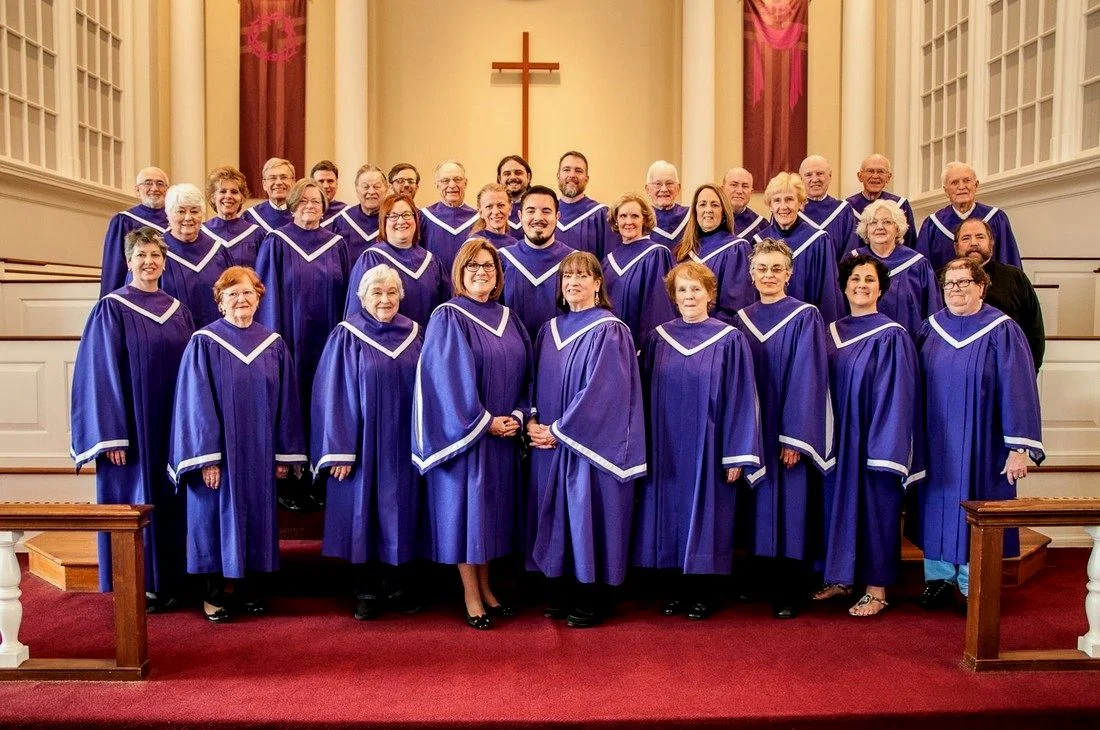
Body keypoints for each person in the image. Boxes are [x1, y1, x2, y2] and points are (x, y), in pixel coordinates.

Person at [168, 266, 307, 623]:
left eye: (247, 293)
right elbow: (195, 404)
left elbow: (286, 403)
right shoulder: (204, 342)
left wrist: (282, 453)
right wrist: (207, 459)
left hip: (259, 453)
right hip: (221, 455)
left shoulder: (272, 344)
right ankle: (213, 596)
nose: (241, 300)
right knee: (213, 518)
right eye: (232, 294)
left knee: (255, 517)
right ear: (220, 302)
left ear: (259, 297)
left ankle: (249, 591)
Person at [71, 227, 194, 610]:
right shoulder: (112, 308)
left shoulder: (179, 310)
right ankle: (140, 583)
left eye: (155, 255)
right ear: (128, 262)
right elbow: (98, 375)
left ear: (164, 262)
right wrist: (112, 435)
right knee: (136, 500)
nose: (149, 262)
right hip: (133, 432)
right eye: (141, 255)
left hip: (170, 426)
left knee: (171, 499)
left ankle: (174, 578)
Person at [633, 262, 764, 620]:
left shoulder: (730, 338)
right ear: (673, 298)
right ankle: (676, 587)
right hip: (666, 445)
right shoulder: (659, 337)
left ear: (711, 293)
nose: (689, 296)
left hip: (711, 445)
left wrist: (737, 454)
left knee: (708, 513)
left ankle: (704, 591)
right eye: (682, 290)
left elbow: (741, 397)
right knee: (670, 513)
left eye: (696, 289)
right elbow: (641, 395)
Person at [412, 238, 532, 630]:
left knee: (489, 516)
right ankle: (470, 595)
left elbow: (526, 373)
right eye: (473, 266)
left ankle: (488, 587)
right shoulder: (449, 316)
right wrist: (484, 422)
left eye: (488, 266)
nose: (482, 272)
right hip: (466, 438)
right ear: (459, 273)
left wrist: (516, 413)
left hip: (502, 437)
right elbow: (446, 381)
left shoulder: (508, 317)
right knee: (469, 515)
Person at [914, 257, 1043, 610]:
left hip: (984, 443)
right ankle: (938, 579)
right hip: (938, 440)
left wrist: (1018, 448)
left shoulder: (1002, 329)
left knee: (980, 506)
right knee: (938, 505)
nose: (955, 289)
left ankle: (976, 585)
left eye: (963, 282)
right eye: (949, 284)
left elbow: (1019, 389)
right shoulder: (930, 328)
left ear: (981, 286)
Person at [528, 251, 647, 628]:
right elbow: (533, 380)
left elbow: (605, 391)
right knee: (559, 515)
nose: (573, 283)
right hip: (550, 442)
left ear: (598, 284)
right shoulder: (549, 330)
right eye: (567, 277)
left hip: (590, 446)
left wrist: (560, 429)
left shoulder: (610, 329)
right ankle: (562, 588)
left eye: (582, 276)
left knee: (589, 515)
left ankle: (595, 596)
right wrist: (533, 422)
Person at [313, 264, 425, 620]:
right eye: (376, 293)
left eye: (392, 292)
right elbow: (333, 396)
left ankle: (398, 583)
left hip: (404, 443)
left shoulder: (416, 334)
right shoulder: (346, 335)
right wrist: (340, 450)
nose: (385, 299)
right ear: (362, 298)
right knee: (364, 511)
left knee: (401, 510)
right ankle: (366, 589)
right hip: (361, 447)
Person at [815, 254, 919, 617]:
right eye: (855, 278)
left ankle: (876, 588)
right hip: (836, 438)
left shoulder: (892, 335)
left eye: (870, 280)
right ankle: (840, 577)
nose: (861, 284)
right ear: (844, 286)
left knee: (877, 509)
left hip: (874, 440)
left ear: (881, 287)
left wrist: (885, 448)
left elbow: (899, 394)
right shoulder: (829, 331)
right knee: (834, 506)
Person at [735, 239, 833, 618]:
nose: (769, 275)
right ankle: (759, 575)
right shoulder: (741, 320)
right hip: (754, 424)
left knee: (790, 501)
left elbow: (809, 377)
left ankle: (790, 585)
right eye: (762, 268)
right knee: (756, 497)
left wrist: (795, 435)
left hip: (789, 424)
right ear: (751, 273)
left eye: (777, 268)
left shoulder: (805, 316)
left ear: (789, 274)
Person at [256, 178, 350, 511]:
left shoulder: (336, 244)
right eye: (305, 200)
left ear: (325, 207)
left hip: (326, 342)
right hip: (289, 342)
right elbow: (266, 297)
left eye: (317, 200)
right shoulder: (277, 242)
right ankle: (290, 481)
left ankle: (319, 478)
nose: (310, 205)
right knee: (290, 402)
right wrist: (272, 345)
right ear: (293, 204)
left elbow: (345, 298)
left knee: (325, 403)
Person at [343, 193, 449, 327]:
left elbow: (443, 311)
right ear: (383, 222)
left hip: (426, 343)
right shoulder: (372, 258)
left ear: (415, 219)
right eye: (393, 216)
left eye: (407, 215)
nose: (401, 221)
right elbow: (357, 314)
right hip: (384, 344)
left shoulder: (432, 262)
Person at [954, 217, 1045, 372]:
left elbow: (1034, 330)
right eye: (966, 238)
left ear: (992, 242)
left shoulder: (1015, 277)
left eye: (980, 237)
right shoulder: (943, 280)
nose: (973, 243)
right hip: (959, 370)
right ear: (956, 246)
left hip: (1007, 369)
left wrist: (1029, 371)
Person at [753, 172, 843, 323]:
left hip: (807, 325)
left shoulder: (818, 241)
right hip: (767, 325)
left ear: (801, 204)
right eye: (776, 201)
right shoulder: (759, 242)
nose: (783, 207)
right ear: (770, 206)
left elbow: (828, 295)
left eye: (789, 200)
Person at [849, 200, 940, 336]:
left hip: (908, 344)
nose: (880, 227)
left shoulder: (917, 264)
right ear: (866, 229)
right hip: (861, 342)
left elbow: (932, 310)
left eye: (887, 222)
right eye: (873, 222)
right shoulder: (852, 261)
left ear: (897, 228)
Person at [498, 185, 575, 339]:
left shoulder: (574, 261)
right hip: (513, 354)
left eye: (546, 211)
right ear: (519, 216)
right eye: (531, 211)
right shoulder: (503, 260)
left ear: (558, 216)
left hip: (560, 355)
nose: (538, 218)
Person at [916, 161, 1023, 271]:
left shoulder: (996, 218)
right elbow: (923, 271)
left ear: (976, 185)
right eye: (954, 183)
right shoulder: (932, 225)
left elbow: (1009, 262)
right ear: (946, 190)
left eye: (967, 181)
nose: (961, 187)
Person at [602, 193, 675, 350]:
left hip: (640, 350)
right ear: (616, 220)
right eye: (623, 216)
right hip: (611, 347)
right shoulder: (608, 261)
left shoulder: (657, 254)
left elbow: (657, 309)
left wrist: (646, 350)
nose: (628, 222)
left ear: (645, 219)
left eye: (635, 216)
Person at [674, 184, 755, 323]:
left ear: (724, 211)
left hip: (717, 335)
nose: (708, 210)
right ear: (695, 210)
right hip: (682, 333)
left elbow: (736, 307)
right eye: (702, 204)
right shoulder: (683, 251)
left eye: (715, 205)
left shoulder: (737, 249)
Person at [159, 183, 233, 328]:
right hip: (170, 337)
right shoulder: (155, 253)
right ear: (168, 215)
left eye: (194, 211)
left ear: (202, 215)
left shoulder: (218, 251)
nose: (188, 218)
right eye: (180, 211)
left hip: (214, 336)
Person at [99, 166, 169, 296]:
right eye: (148, 183)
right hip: (136, 294)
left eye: (160, 184)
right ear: (137, 190)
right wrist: (112, 300)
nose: (154, 188)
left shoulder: (176, 223)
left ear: (167, 190)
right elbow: (115, 267)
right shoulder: (123, 221)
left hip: (171, 293)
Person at [844, 154, 918, 251]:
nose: (875, 176)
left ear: (889, 177)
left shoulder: (900, 205)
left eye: (881, 171)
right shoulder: (847, 208)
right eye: (870, 171)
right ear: (860, 176)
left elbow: (910, 244)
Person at [419, 160, 480, 273]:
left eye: (457, 179)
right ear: (437, 184)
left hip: (470, 287)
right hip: (435, 285)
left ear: (465, 183)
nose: (452, 185)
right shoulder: (423, 217)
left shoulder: (478, 219)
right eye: (445, 180)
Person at [201, 166, 265, 269]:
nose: (228, 196)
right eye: (222, 191)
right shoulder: (202, 233)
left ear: (242, 198)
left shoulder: (256, 234)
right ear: (213, 197)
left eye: (234, 192)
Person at [555, 151, 615, 259]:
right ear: (558, 175)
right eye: (566, 170)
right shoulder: (547, 213)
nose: (572, 175)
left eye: (578, 171)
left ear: (586, 179)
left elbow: (609, 262)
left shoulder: (601, 214)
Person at [798, 155, 857, 260]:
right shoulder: (791, 212)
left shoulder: (843, 211)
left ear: (830, 176)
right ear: (801, 179)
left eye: (820, 174)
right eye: (808, 175)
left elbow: (850, 250)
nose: (815, 179)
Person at [329, 164, 387, 262]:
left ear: (386, 188)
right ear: (357, 189)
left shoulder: (394, 220)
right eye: (365, 187)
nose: (371, 191)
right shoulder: (342, 221)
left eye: (377, 186)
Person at [645, 161, 689, 250]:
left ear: (678, 188)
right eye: (658, 184)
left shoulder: (690, 216)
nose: (664, 189)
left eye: (669, 183)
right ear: (647, 189)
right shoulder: (642, 219)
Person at [244, 157, 296, 234]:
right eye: (272, 178)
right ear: (264, 184)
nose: (278, 182)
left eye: (284, 177)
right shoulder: (250, 217)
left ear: (293, 182)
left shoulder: (304, 215)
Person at [721, 167, 768, 240]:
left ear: (751, 192)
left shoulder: (761, 226)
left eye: (745, 186)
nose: (739, 191)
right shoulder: (710, 220)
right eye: (734, 185)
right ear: (722, 189)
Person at [469, 183, 519, 249]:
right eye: (489, 207)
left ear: (510, 208)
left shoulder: (515, 245)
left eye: (501, 205)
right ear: (481, 212)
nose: (495, 212)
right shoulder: (473, 245)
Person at [497, 154, 531, 233]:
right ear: (499, 179)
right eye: (507, 174)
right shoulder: (492, 212)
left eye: (518, 173)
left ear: (528, 177)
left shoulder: (538, 207)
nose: (512, 177)